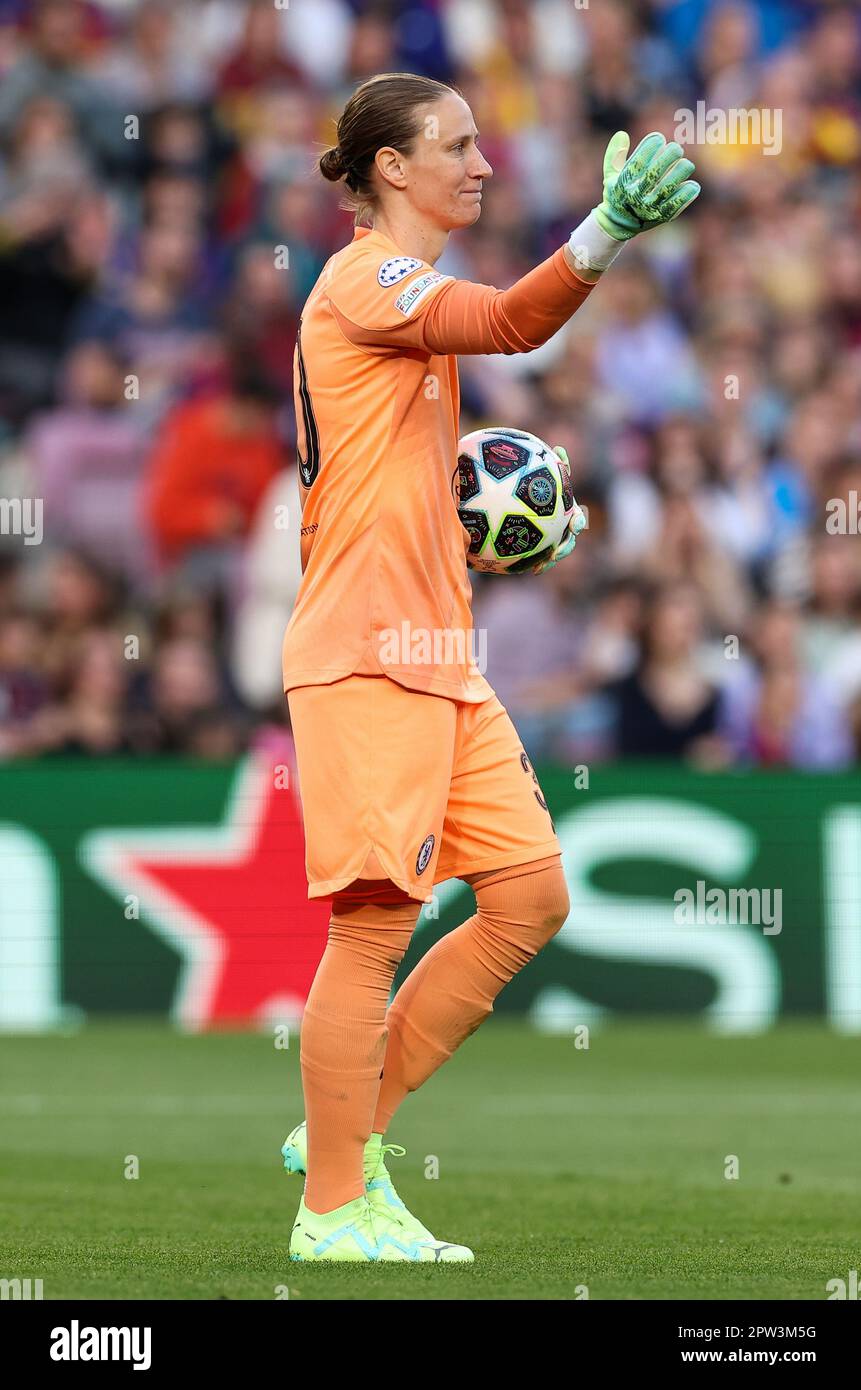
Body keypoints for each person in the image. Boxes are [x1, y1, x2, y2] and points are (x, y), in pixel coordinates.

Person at [280, 71, 700, 1263]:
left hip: (437, 656)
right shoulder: (362, 277)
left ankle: (344, 1130)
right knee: (374, 927)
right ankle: (332, 1210)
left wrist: (485, 530)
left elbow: (391, 474)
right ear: (391, 168)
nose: (481, 164)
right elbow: (514, 320)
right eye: (456, 146)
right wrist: (605, 230)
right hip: (368, 654)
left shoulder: (397, 297)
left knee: (528, 896)